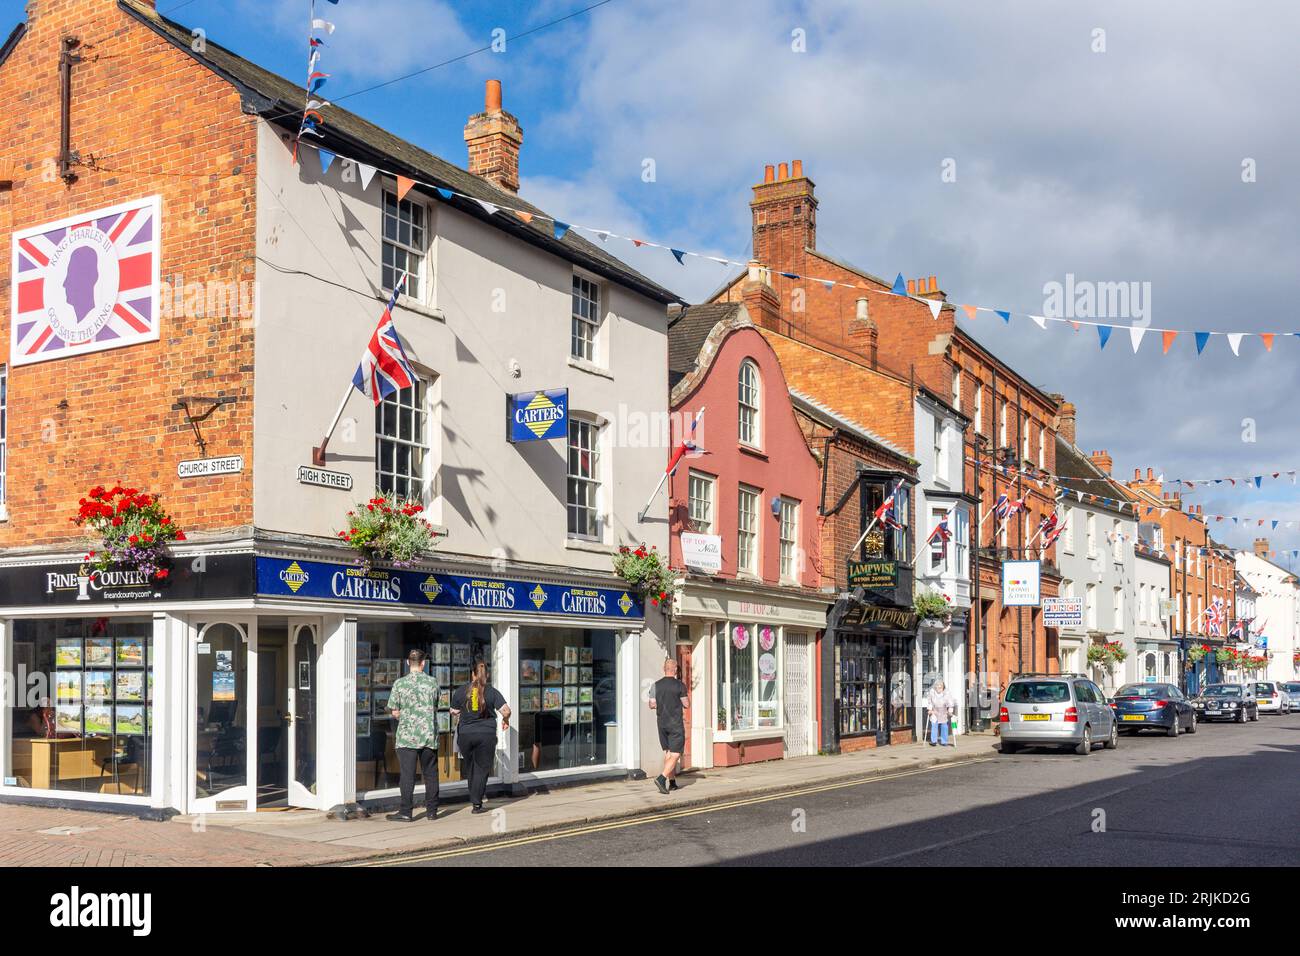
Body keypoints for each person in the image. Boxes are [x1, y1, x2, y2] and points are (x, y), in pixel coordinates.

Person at [386, 649, 441, 822]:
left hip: (407, 736)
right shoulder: (433, 683)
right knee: (431, 774)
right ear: (423, 663)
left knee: (407, 775)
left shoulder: (399, 684)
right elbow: (436, 705)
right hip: (428, 734)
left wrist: (402, 713)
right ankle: (432, 811)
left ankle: (406, 812)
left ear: (408, 663)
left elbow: (394, 711)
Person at [451, 657, 510, 814]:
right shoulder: (492, 692)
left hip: (466, 735)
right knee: (482, 768)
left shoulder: (461, 691)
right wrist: (506, 720)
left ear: (472, 674)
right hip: (486, 735)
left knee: (470, 766)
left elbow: (454, 711)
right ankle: (476, 803)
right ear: (487, 675)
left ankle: (474, 796)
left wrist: (463, 711)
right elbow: (506, 710)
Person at [648, 658, 688, 794]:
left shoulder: (655, 685)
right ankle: (661, 778)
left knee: (669, 753)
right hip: (675, 724)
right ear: (675, 669)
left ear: (663, 669)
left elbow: (652, 704)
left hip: (662, 723)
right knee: (676, 754)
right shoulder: (680, 686)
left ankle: (672, 783)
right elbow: (686, 704)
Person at [927, 679, 956, 747]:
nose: (939, 688)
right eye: (937, 686)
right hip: (935, 710)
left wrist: (950, 711)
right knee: (934, 725)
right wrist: (929, 709)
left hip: (943, 711)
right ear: (935, 687)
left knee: (944, 726)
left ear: (943, 687)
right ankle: (933, 741)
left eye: (940, 687)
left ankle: (944, 741)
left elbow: (950, 703)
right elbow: (930, 702)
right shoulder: (932, 692)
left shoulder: (946, 693)